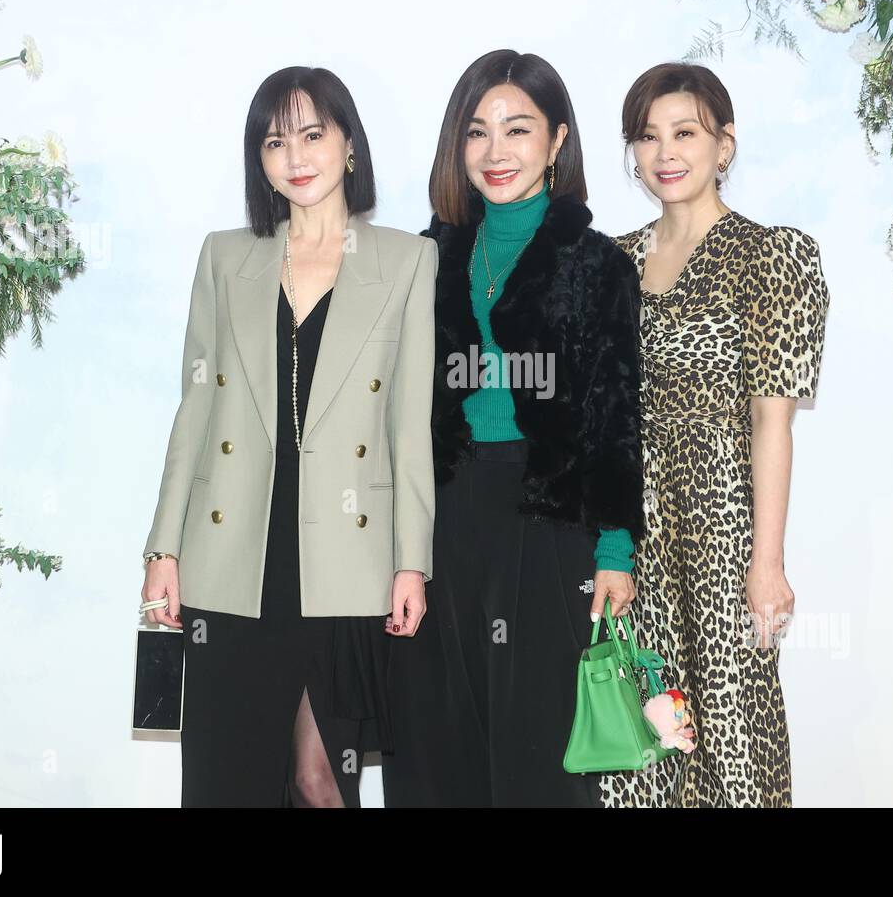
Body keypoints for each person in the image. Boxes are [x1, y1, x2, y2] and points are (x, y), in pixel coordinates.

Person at [140, 66, 437, 807]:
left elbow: (409, 426)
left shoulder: (407, 261)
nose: (296, 156)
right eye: (275, 142)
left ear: (349, 146)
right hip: (231, 556)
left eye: (313, 134)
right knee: (222, 781)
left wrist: (412, 562)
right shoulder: (224, 255)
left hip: (344, 562)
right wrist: (163, 549)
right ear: (259, 159)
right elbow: (194, 410)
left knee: (319, 782)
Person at [381, 49, 645, 807]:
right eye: (477, 132)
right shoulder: (422, 259)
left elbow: (616, 414)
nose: (496, 152)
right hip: (438, 519)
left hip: (547, 519)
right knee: (435, 744)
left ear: (559, 141)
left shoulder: (598, 265)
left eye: (518, 129)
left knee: (539, 751)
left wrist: (616, 549)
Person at [599, 62, 829, 808]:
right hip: (637, 533)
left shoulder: (772, 256)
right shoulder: (612, 262)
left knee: (731, 726)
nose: (665, 152)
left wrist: (768, 562)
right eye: (647, 136)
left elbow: (772, 424)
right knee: (643, 730)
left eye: (685, 133)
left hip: (726, 526)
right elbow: (604, 420)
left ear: (723, 145)